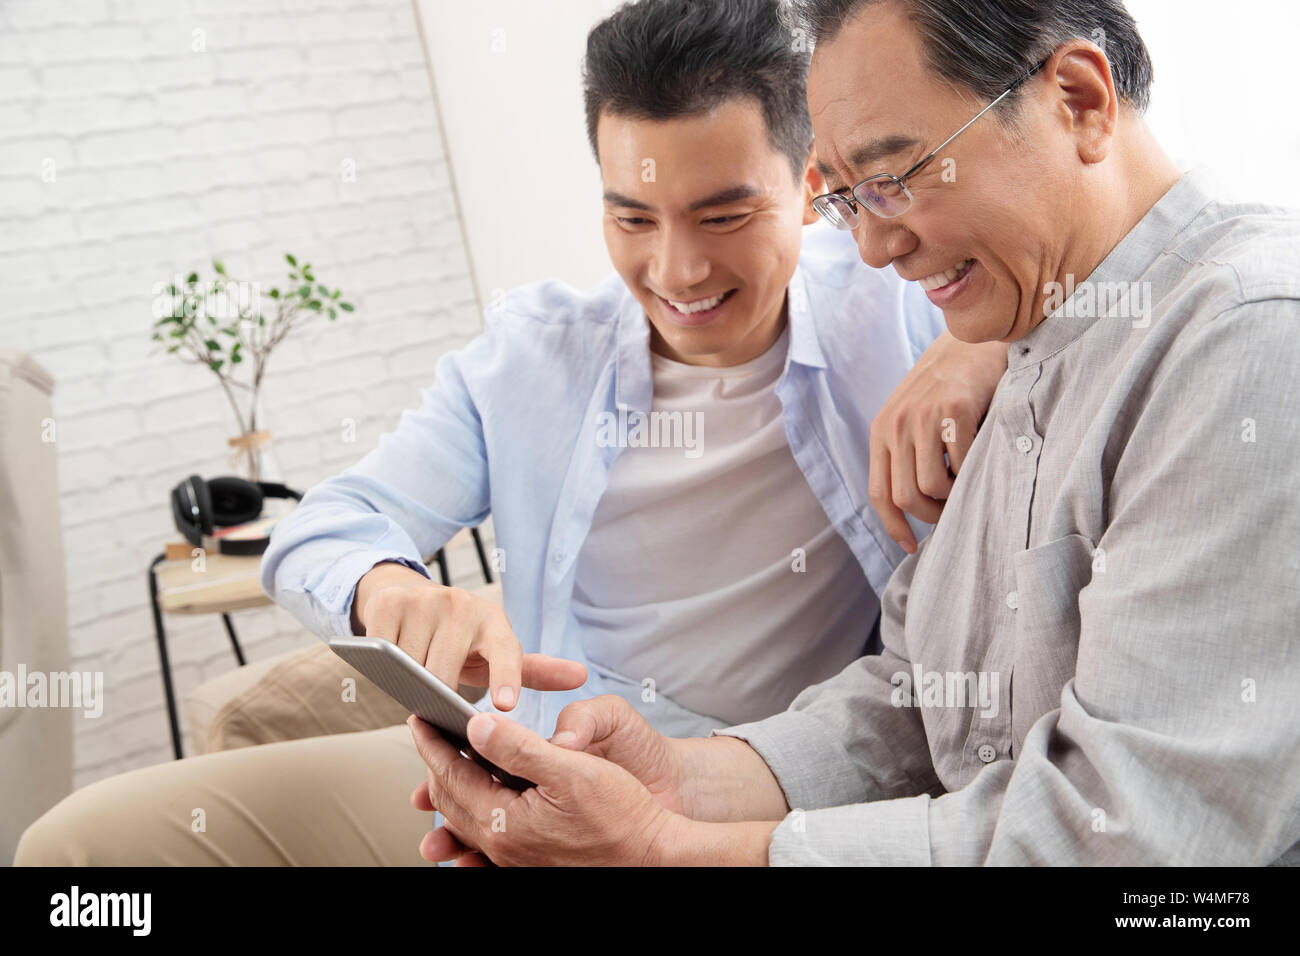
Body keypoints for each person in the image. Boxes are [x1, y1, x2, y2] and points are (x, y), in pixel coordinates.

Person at [14, 0, 1007, 866]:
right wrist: (387, 585)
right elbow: (323, 527)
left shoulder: (904, 301)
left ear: (808, 185)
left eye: (723, 214)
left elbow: (1110, 233)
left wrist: (986, 346)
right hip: (531, 767)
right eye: (632, 217)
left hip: (745, 791)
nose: (677, 269)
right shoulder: (533, 356)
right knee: (79, 847)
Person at [402, 0, 1300, 867]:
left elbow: (1137, 846)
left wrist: (668, 851)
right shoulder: (1022, 339)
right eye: (847, 201)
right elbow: (912, 704)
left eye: (897, 178)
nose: (872, 249)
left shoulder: (1248, 343)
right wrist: (674, 779)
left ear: (1078, 101)